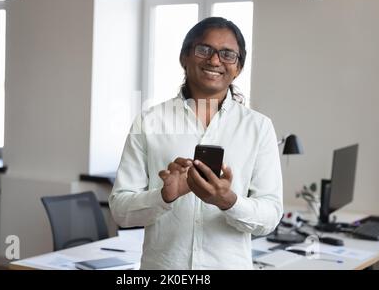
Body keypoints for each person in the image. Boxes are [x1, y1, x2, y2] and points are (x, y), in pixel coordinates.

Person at [109, 17, 283, 269]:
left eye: (227, 54)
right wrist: (164, 196)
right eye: (204, 49)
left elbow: (270, 216)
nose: (214, 60)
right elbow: (120, 211)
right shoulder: (149, 121)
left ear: (239, 67)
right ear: (184, 57)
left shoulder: (258, 127)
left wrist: (228, 200)